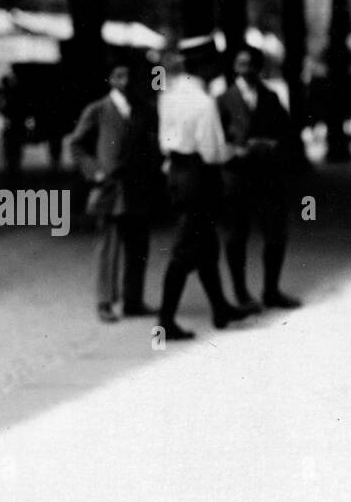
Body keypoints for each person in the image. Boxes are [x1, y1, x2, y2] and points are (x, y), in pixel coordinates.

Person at [155, 36, 249, 341]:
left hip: (177, 172)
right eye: (214, 62)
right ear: (204, 65)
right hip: (199, 176)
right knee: (186, 250)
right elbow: (212, 152)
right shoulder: (204, 102)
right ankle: (165, 321)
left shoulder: (169, 95)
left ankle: (221, 308)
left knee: (206, 245)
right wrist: (234, 152)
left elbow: (165, 141)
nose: (218, 67)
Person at [68, 63, 159, 322]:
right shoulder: (97, 110)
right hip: (111, 187)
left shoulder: (144, 109)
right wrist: (94, 172)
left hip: (138, 186)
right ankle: (105, 302)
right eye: (119, 75)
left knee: (138, 244)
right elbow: (76, 145)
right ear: (110, 79)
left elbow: (154, 142)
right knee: (109, 245)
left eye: (129, 75)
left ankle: (133, 300)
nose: (125, 81)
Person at [217, 46, 302, 313]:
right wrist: (236, 148)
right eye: (241, 64)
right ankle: (241, 293)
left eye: (252, 65)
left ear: (259, 67)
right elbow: (215, 139)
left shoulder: (271, 97)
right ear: (234, 67)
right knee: (236, 236)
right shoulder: (223, 100)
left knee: (276, 233)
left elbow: (288, 133)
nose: (247, 70)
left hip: (267, 175)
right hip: (237, 176)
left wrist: (272, 144)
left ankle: (271, 290)